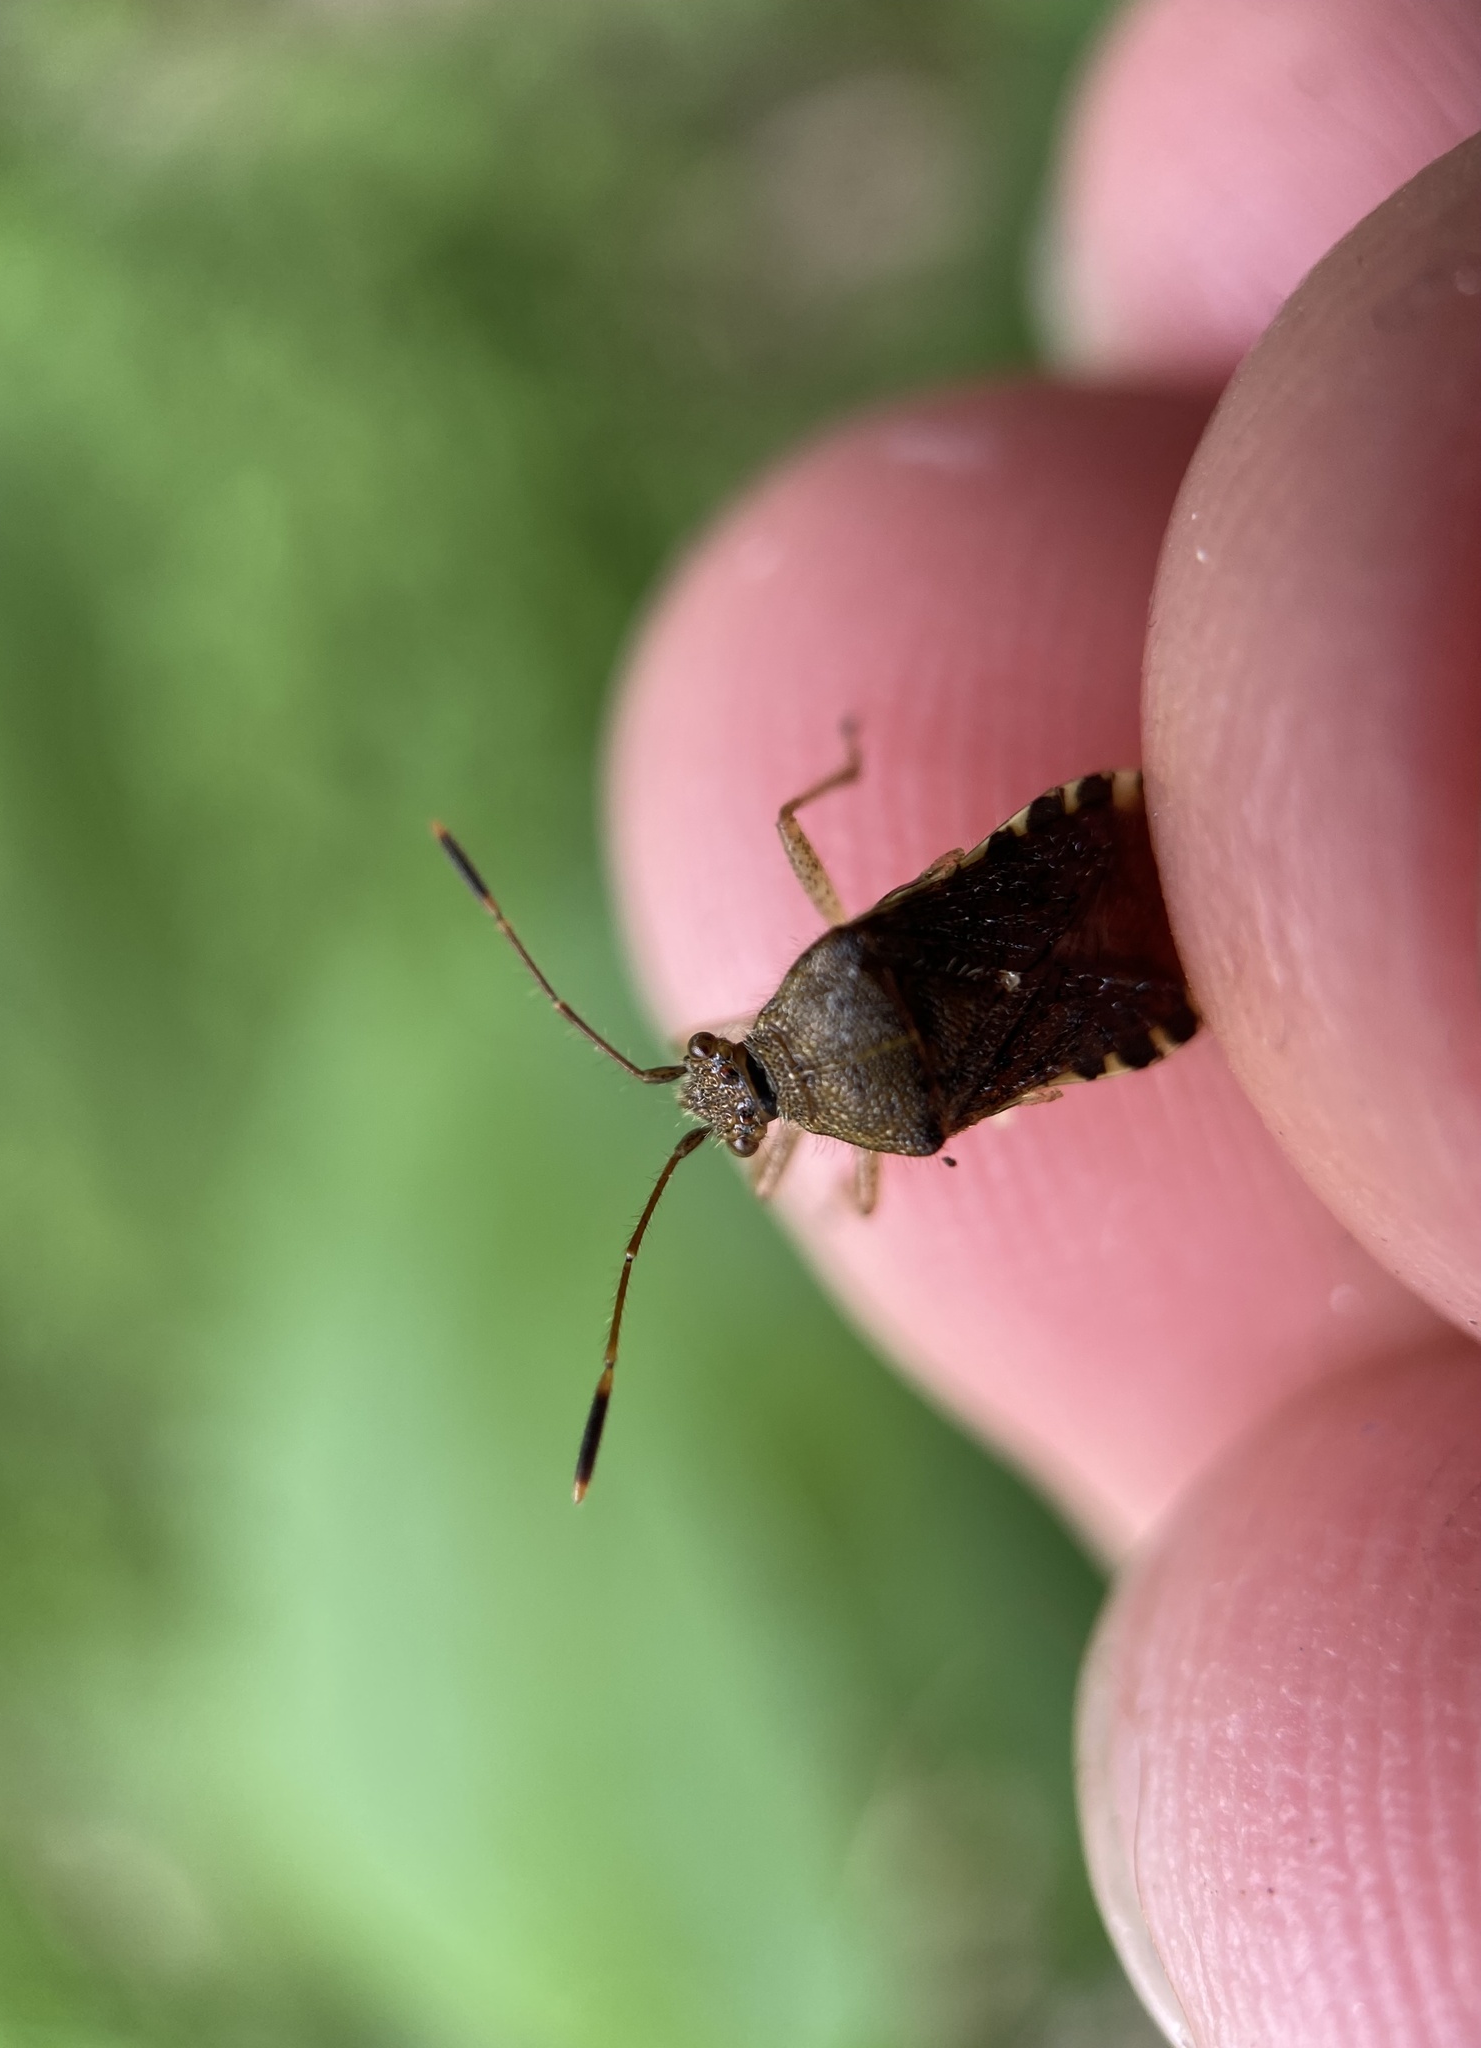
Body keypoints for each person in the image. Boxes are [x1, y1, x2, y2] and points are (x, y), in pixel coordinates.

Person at [608, 2, 1481, 2040]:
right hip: (1092, 868)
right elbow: (820, 819)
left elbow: (902, 1094)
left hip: (1131, 991)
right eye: (723, 1095)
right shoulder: (833, 993)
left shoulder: (877, 1134)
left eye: (728, 1099)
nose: (722, 1090)